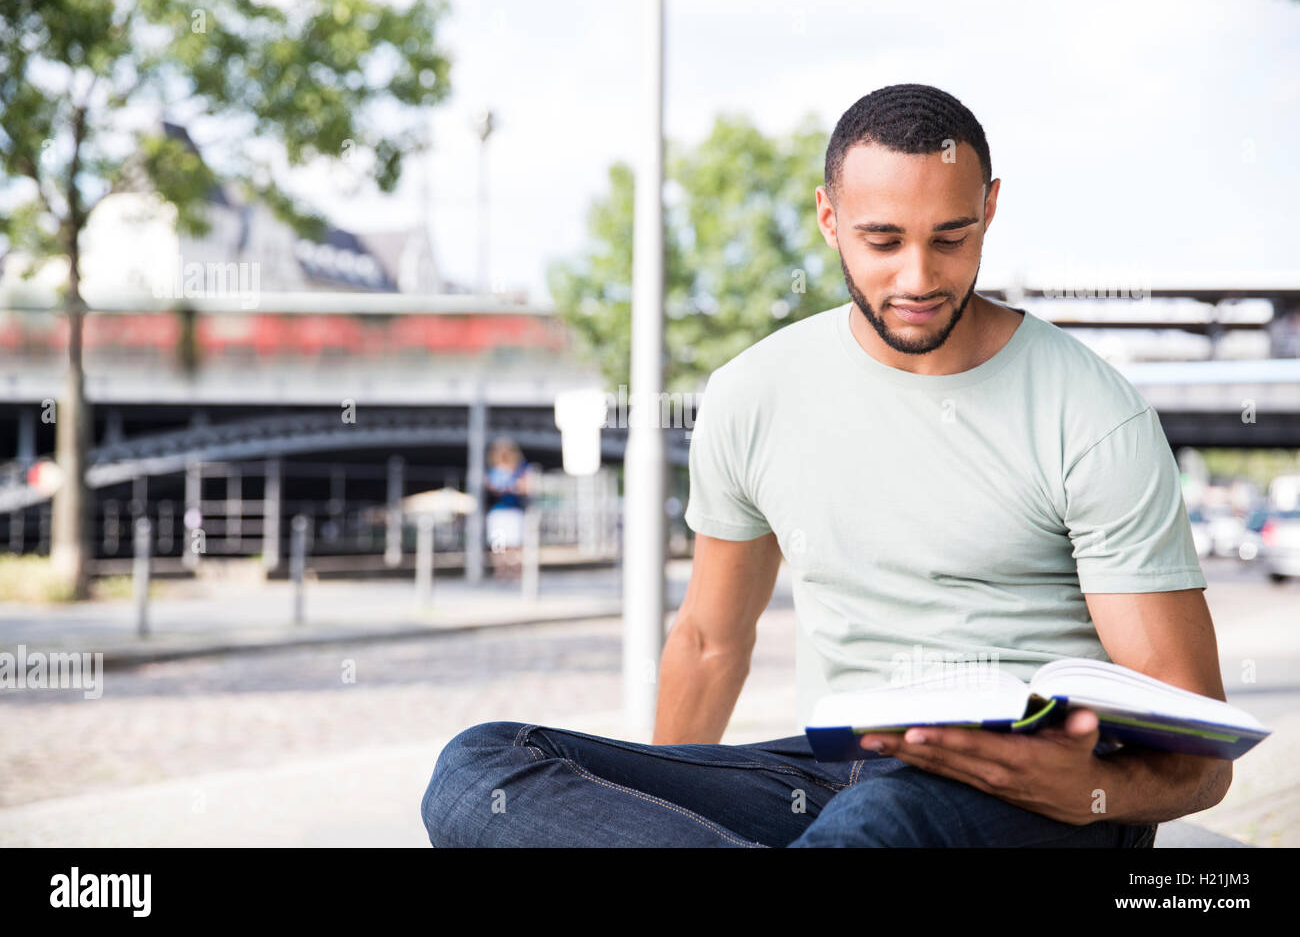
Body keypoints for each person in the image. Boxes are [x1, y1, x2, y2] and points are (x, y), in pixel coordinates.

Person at [420, 84, 1230, 847]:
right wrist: (658, 808)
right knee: (479, 768)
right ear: (829, 219)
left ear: (989, 210)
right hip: (830, 772)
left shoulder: (1089, 410)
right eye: (883, 239)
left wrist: (1091, 791)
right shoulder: (755, 392)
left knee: (880, 818)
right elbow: (708, 641)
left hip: (1033, 791)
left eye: (951, 237)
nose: (918, 277)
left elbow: (1197, 747)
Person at [484, 438, 530, 582]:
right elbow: (490, 486)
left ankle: (517, 571)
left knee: (516, 545)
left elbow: (526, 487)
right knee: (499, 546)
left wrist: (513, 486)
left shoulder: (521, 469)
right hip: (499, 511)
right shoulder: (493, 470)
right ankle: (501, 571)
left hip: (514, 511)